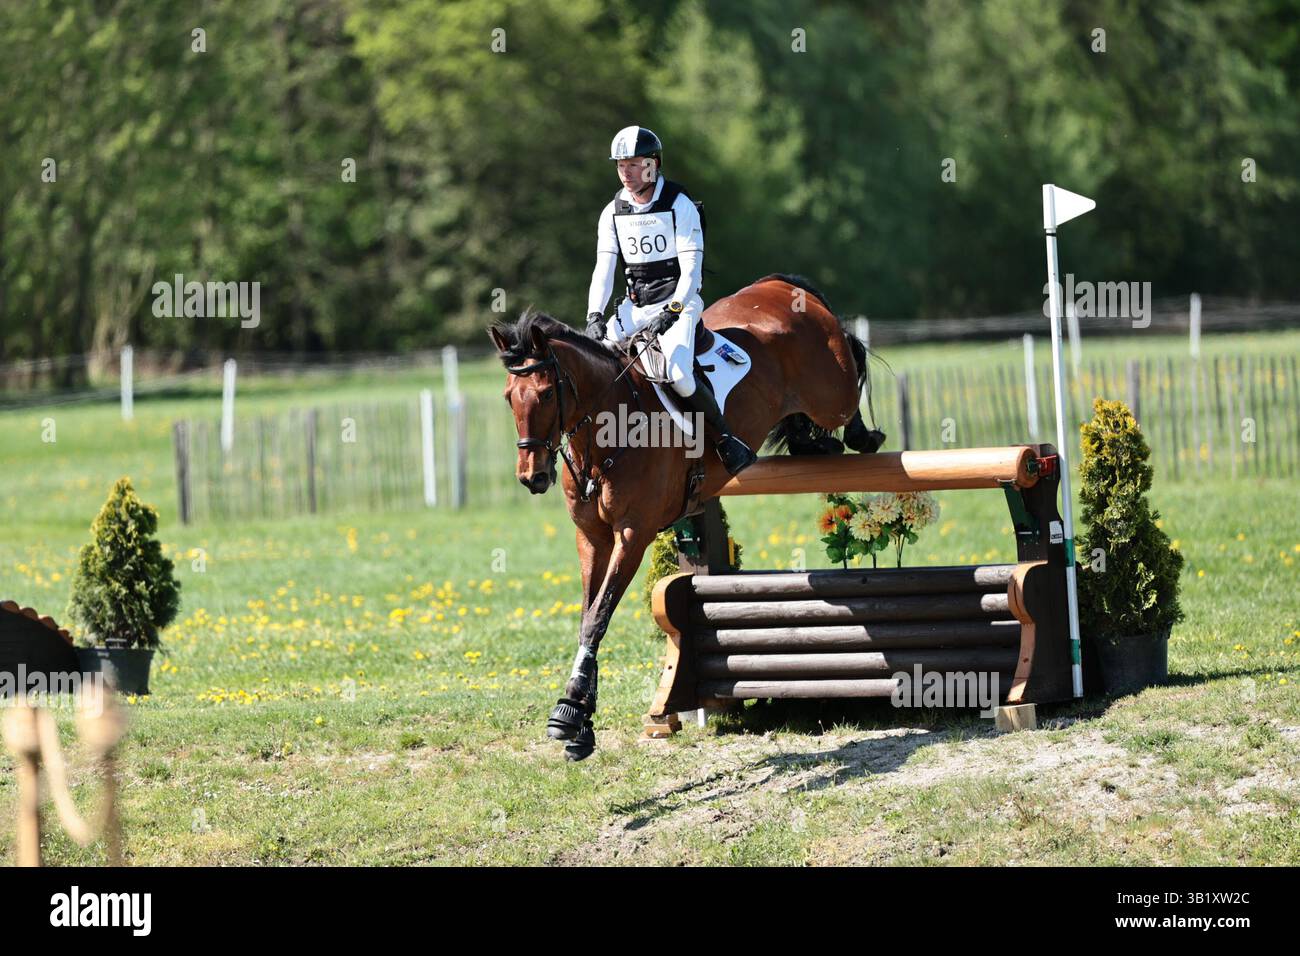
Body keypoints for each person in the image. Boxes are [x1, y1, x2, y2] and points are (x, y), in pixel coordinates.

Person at [584, 126, 757, 475]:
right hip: (635, 308)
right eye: (621, 166)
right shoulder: (612, 212)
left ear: (654, 164)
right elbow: (604, 268)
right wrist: (594, 315)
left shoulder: (679, 204)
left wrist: (674, 310)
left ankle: (726, 439)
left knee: (678, 373)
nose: (627, 173)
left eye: (634, 164)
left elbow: (691, 272)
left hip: (679, 303)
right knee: (593, 366)